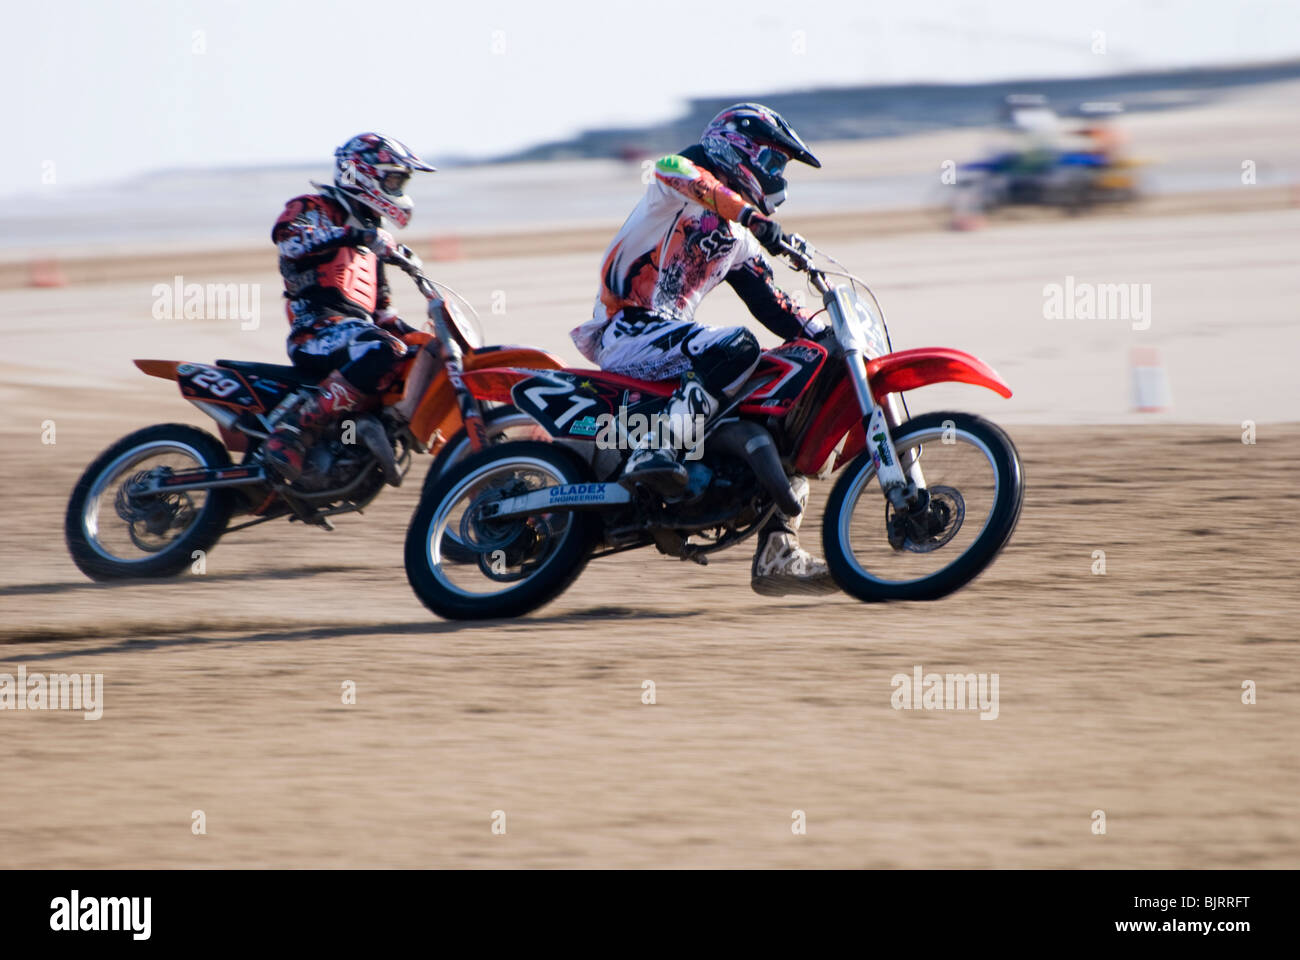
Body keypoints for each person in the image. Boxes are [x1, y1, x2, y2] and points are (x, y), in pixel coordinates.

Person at [570, 103, 836, 596]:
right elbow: (679, 172)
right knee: (738, 346)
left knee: (790, 394)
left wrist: (829, 336)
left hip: (672, 347)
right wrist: (751, 217)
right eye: (774, 163)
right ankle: (658, 447)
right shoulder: (675, 181)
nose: (778, 178)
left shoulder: (736, 237)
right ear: (740, 149)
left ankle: (778, 552)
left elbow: (773, 304)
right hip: (628, 327)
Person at [263, 133, 435, 482]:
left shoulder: (370, 233)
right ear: (360, 174)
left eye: (399, 181)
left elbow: (383, 313)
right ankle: (292, 434)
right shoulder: (313, 207)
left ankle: (347, 443)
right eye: (392, 178)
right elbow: (290, 239)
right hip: (315, 331)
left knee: (413, 350)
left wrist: (427, 338)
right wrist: (356, 237)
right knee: (382, 348)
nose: (397, 188)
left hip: (353, 334)